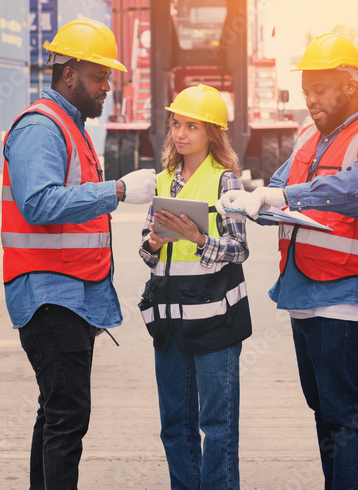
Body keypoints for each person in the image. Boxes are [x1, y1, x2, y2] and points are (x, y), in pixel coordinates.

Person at [218, 34, 358, 490]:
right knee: (323, 412)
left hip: (347, 295)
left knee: (343, 415)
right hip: (304, 296)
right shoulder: (310, 140)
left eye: (320, 88)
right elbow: (280, 195)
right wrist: (249, 202)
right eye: (306, 90)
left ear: (349, 84)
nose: (310, 99)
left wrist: (284, 194)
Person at [1, 18, 158, 490]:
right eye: (99, 76)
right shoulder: (41, 127)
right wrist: (118, 190)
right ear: (69, 74)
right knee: (67, 418)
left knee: (56, 414)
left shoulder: (74, 128)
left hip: (70, 295)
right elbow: (38, 202)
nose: (107, 87)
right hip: (51, 295)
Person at [137, 84, 251, 490]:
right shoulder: (163, 181)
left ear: (212, 134)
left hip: (214, 324)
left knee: (217, 427)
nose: (180, 134)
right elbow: (148, 254)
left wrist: (201, 241)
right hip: (168, 323)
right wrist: (153, 243)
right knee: (175, 427)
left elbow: (239, 249)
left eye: (191, 127)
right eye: (175, 125)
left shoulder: (226, 183)